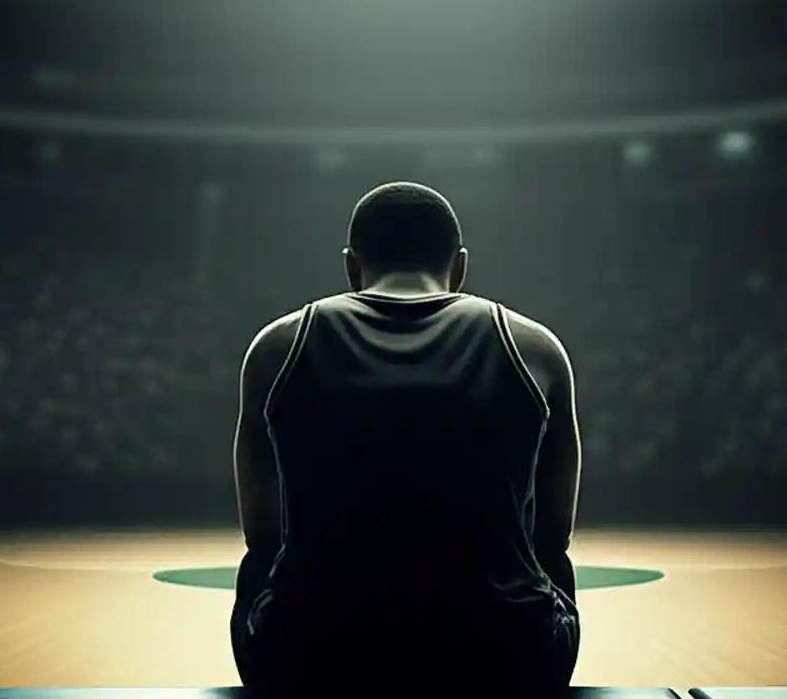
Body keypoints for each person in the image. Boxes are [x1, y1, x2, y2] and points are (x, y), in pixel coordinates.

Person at [230, 181, 582, 692]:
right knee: (552, 571)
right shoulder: (537, 350)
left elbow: (261, 537)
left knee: (258, 573)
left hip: (305, 654)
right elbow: (554, 535)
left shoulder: (276, 348)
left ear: (351, 266)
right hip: (509, 656)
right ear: (459, 266)